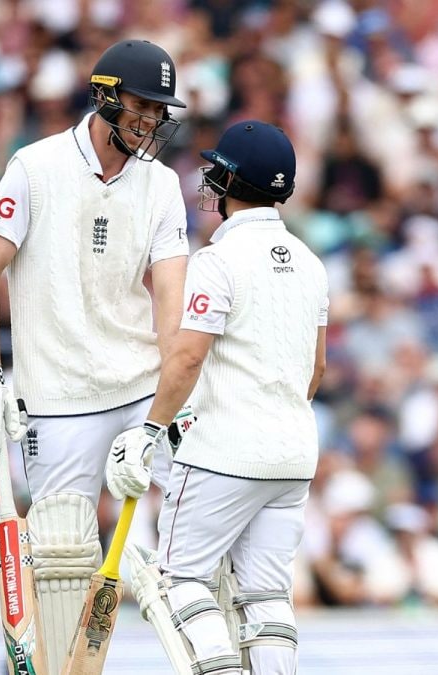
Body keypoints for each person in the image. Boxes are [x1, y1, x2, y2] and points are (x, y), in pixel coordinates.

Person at [0, 39, 191, 671]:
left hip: (143, 384)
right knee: (61, 560)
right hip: (59, 397)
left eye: (159, 110)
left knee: (202, 513)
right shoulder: (35, 167)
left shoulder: (163, 184)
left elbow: (171, 292)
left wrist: (180, 384)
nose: (151, 122)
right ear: (106, 95)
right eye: (141, 106)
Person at [107, 120, 327, 675]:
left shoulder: (216, 263)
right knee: (268, 598)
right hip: (295, 454)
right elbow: (316, 368)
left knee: (181, 579)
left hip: (222, 452)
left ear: (230, 179)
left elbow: (186, 357)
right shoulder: (311, 264)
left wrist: (150, 430)